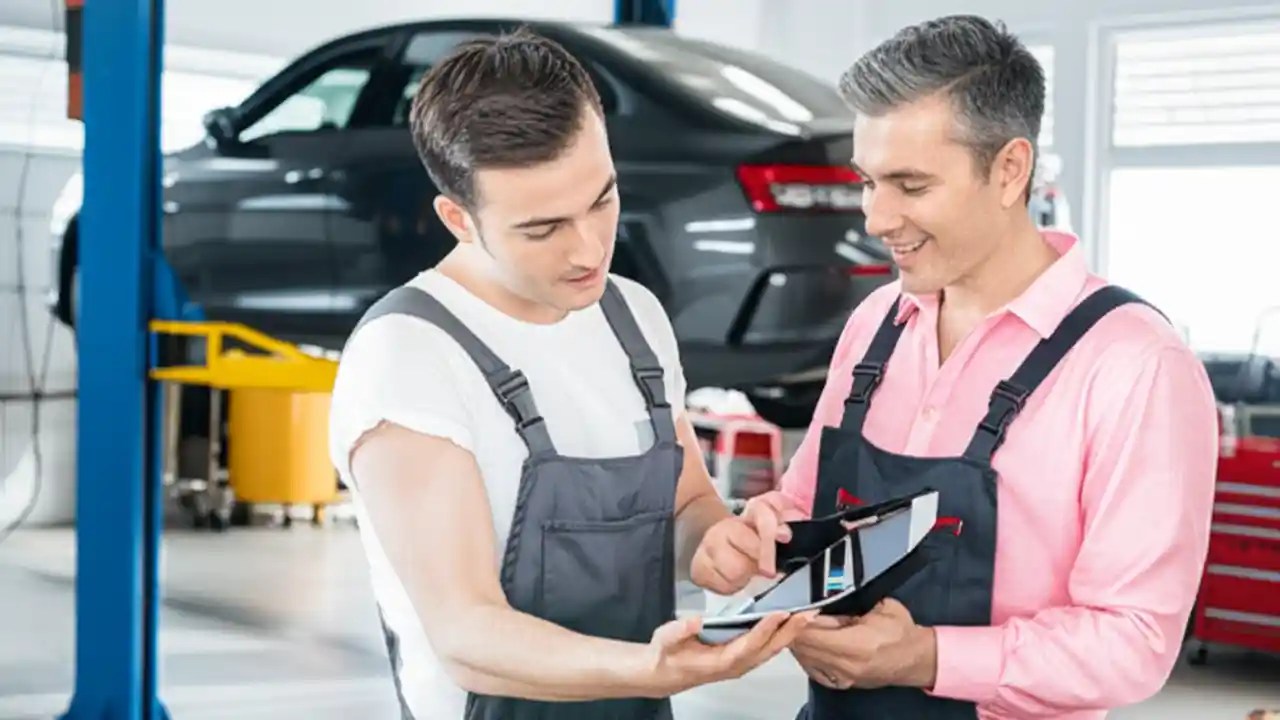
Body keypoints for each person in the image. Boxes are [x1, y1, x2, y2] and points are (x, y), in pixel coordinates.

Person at [690, 14, 1219, 719]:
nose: (875, 219)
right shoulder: (876, 322)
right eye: (867, 181)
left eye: (909, 186)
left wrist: (931, 657)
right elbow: (804, 509)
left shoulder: (1135, 366)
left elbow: (1135, 640)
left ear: (1009, 170)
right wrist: (751, 539)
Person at [326, 28, 810, 720]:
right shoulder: (410, 354)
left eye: (602, 201)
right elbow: (465, 634)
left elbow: (685, 507)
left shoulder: (633, 316)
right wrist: (647, 668)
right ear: (459, 218)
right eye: (542, 227)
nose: (589, 249)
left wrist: (716, 544)